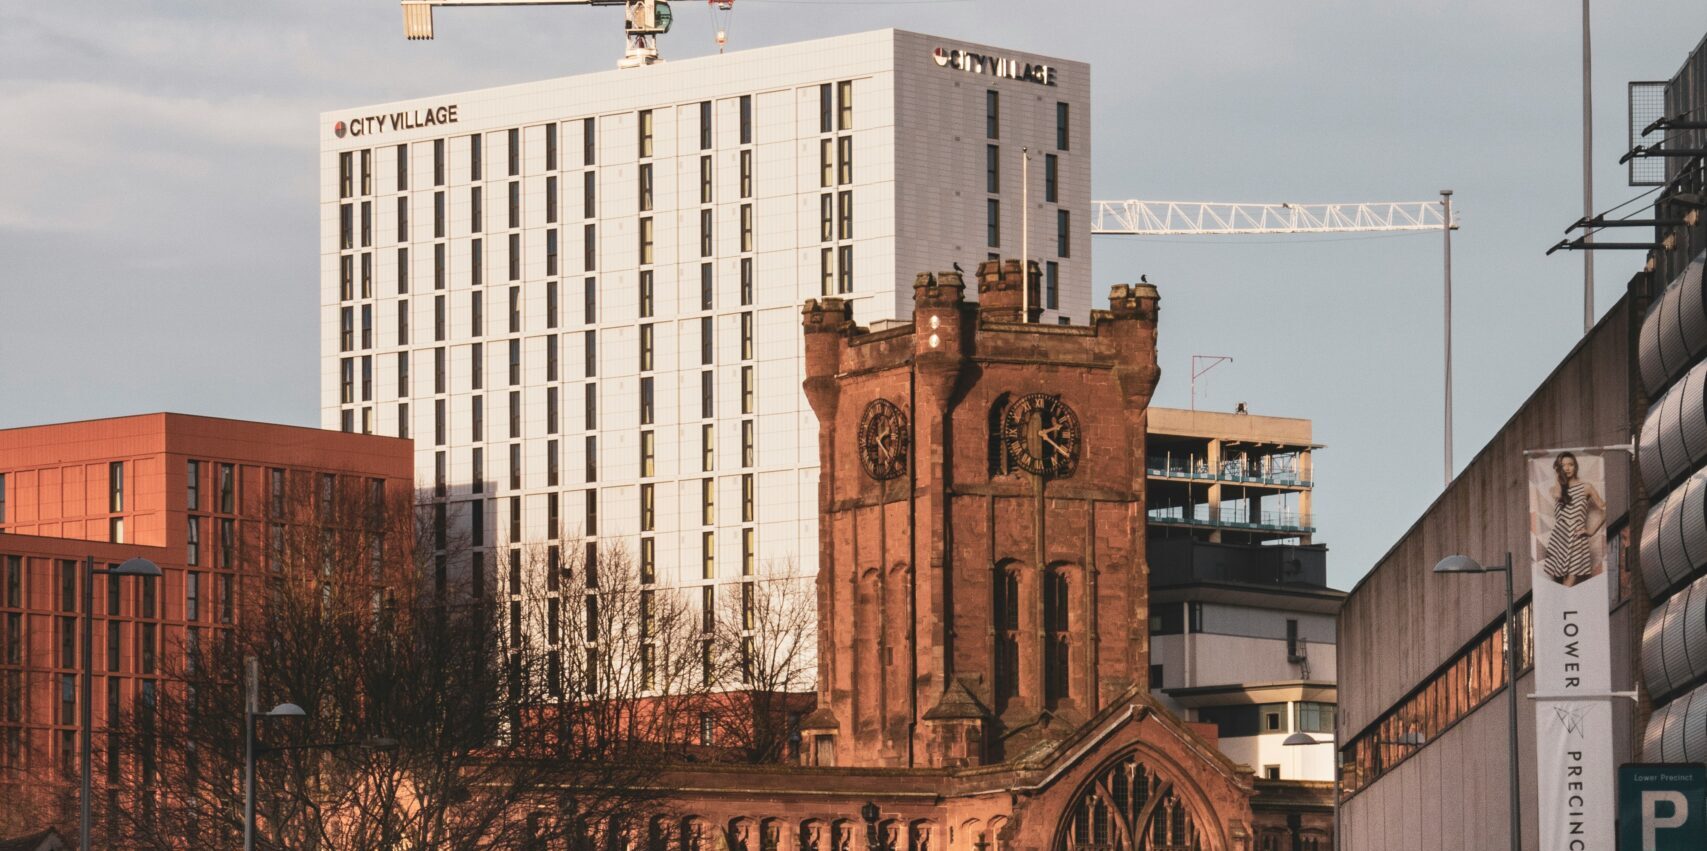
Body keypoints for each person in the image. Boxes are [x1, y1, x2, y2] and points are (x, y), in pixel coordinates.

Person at [1544, 452, 1605, 587]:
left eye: (1570, 465)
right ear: (1558, 468)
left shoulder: (1586, 487)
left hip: (1577, 538)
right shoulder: (1554, 489)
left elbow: (1605, 508)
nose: (1567, 468)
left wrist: (1591, 531)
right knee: (1559, 585)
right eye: (1563, 466)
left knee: (1568, 584)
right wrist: (1558, 476)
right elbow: (1558, 494)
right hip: (1559, 538)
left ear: (1575, 466)